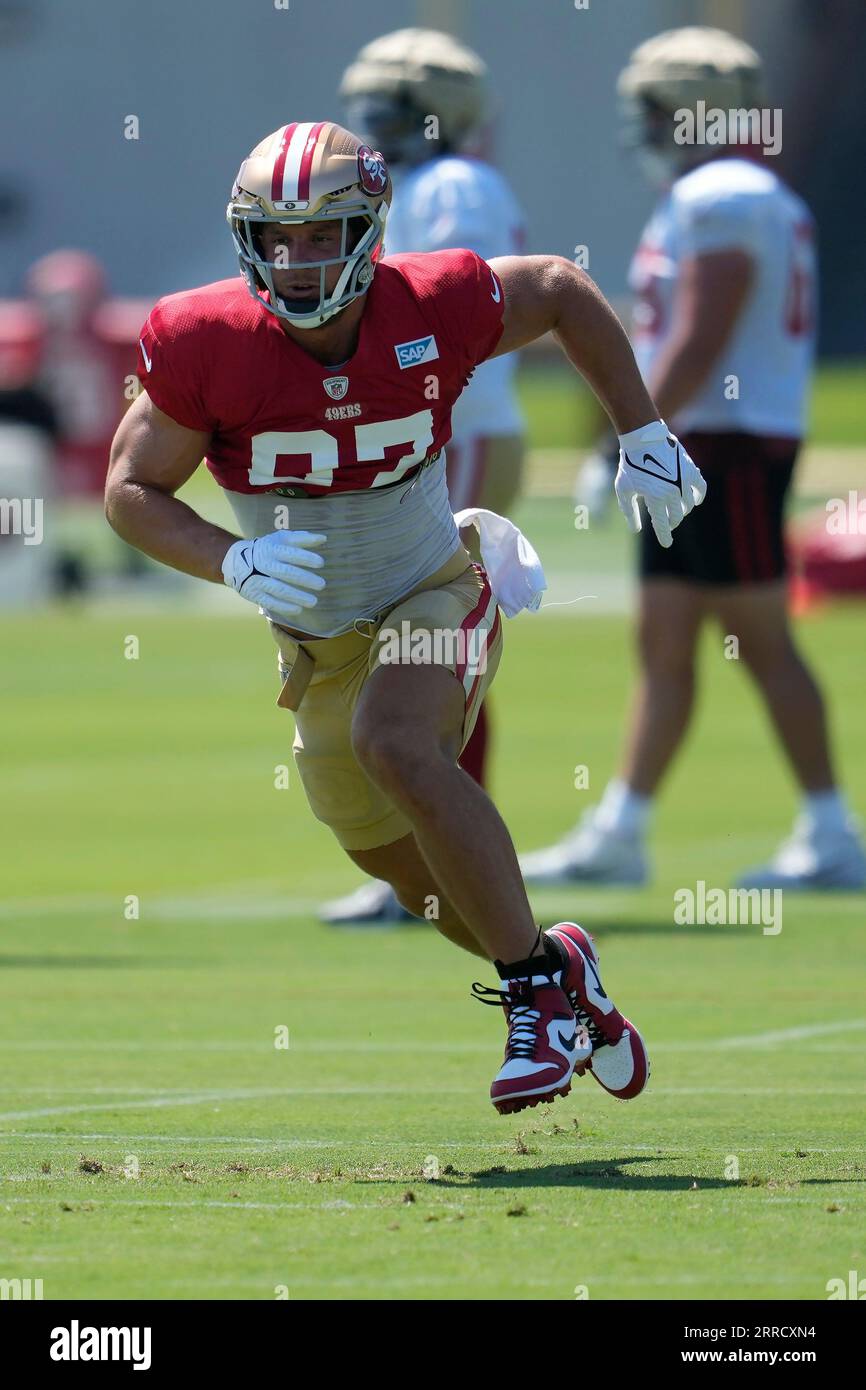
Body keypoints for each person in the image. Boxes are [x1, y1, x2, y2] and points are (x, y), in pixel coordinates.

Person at [105, 121, 702, 1111]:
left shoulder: (434, 301)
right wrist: (230, 558)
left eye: (322, 234)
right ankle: (562, 977)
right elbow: (131, 488)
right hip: (319, 645)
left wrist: (639, 428)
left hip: (436, 586)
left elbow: (555, 286)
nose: (297, 262)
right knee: (417, 886)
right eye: (276, 237)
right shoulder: (205, 338)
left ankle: (530, 1004)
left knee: (396, 739)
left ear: (370, 229)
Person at [521, 27, 866, 892]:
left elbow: (702, 329)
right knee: (665, 636)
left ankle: (830, 832)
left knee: (760, 635)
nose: (643, 124)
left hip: (723, 439)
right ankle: (621, 829)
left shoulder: (724, 194)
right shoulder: (736, 191)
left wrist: (630, 432)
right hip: (707, 435)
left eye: (653, 106)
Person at [323, 27, 527, 924]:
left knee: (433, 650)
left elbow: (443, 307)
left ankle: (442, 872)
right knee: (421, 653)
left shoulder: (455, 187)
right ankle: (435, 864)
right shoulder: (421, 183)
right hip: (429, 432)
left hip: (457, 431)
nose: (375, 122)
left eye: (396, 105)